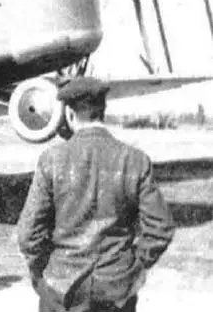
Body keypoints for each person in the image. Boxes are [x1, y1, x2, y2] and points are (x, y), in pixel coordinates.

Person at [17, 77, 175, 312]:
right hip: (117, 287)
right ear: (103, 111)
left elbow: (28, 234)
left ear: (69, 114)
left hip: (61, 287)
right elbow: (160, 227)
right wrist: (133, 265)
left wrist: (42, 274)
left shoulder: (52, 160)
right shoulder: (135, 160)